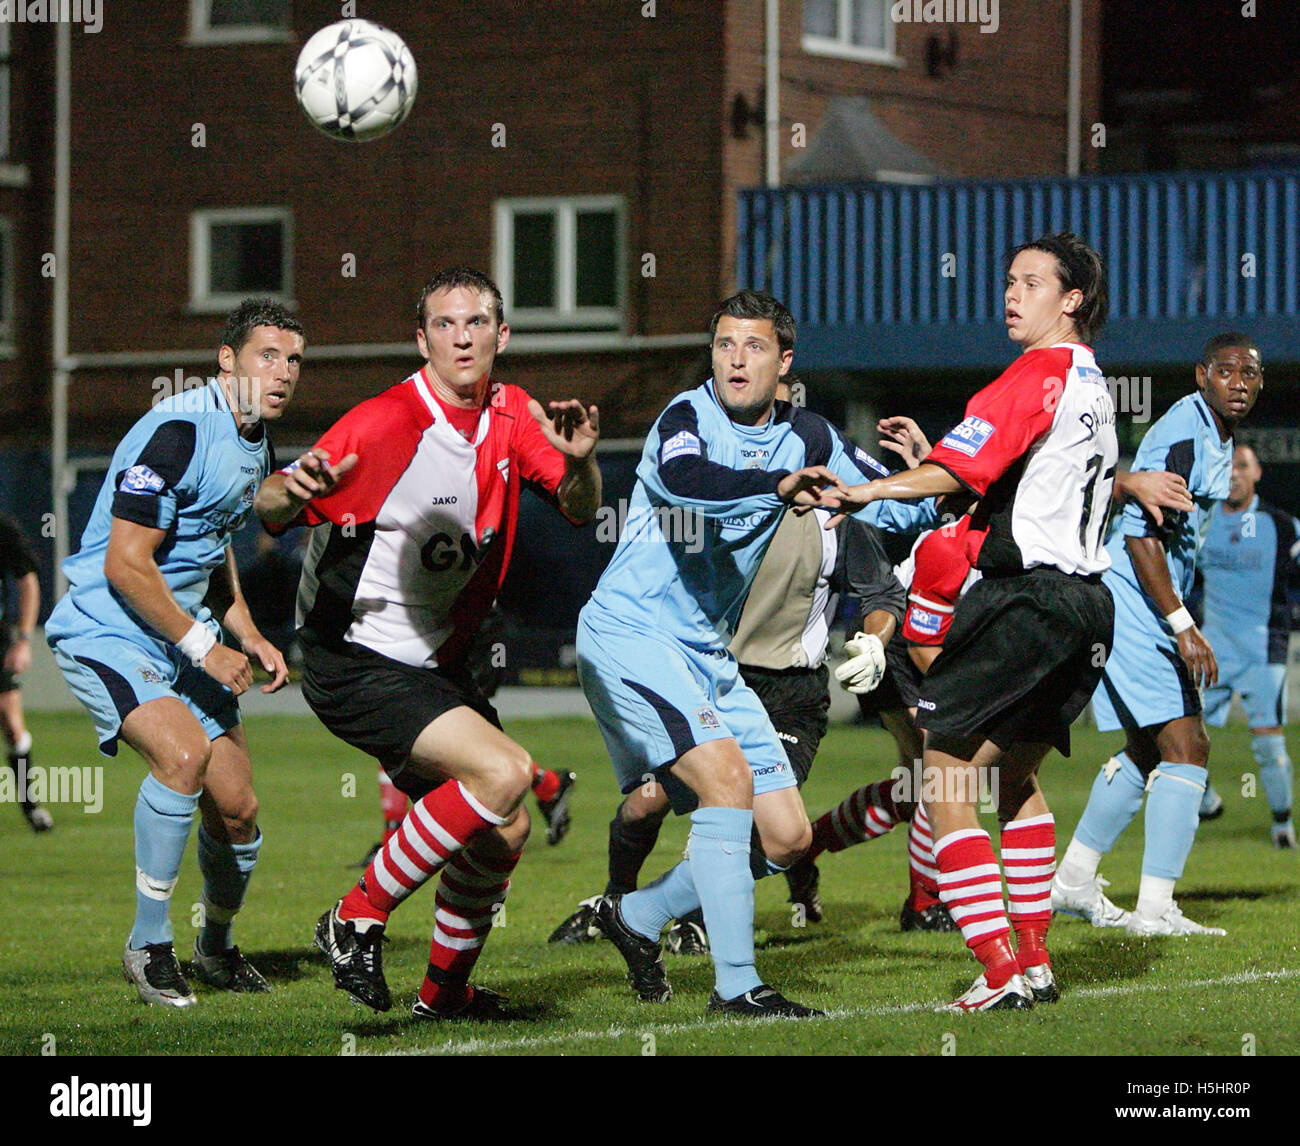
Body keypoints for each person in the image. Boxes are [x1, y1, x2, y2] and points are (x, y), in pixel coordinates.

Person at [254, 266, 601, 1021]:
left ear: (501, 335)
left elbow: (579, 507)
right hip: (355, 659)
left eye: (477, 322)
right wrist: (294, 487)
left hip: (436, 666)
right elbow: (270, 505)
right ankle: (353, 918)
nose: (462, 336)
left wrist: (581, 462)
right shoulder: (386, 424)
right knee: (508, 773)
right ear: (422, 340)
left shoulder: (513, 413)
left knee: (504, 825)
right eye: (445, 324)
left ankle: (444, 996)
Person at [576, 289, 926, 1018]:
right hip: (634, 633)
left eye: (754, 346)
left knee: (789, 835)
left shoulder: (810, 434)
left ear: (784, 359)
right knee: (726, 785)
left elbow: (875, 496)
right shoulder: (686, 418)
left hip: (707, 651)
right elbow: (685, 483)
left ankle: (634, 917)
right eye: (725, 344)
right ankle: (737, 988)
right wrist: (777, 487)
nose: (736, 359)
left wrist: (925, 480)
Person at [823, 233, 1119, 1012]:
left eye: (1030, 283)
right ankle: (1035, 961)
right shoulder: (1094, 382)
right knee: (1015, 778)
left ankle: (996, 975)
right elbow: (1015, 480)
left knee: (944, 775)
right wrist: (943, 463)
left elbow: (967, 469)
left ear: (1073, 299)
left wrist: (866, 491)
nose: (1011, 295)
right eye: (1008, 282)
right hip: (1089, 606)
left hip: (1027, 597)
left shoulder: (1037, 372)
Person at [45, 299, 301, 1007]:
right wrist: (203, 646)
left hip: (179, 632)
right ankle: (148, 943)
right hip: (109, 627)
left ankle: (214, 948)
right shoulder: (179, 431)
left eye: (294, 360)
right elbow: (128, 564)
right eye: (266, 356)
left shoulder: (256, 441)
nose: (282, 373)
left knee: (239, 810)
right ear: (228, 360)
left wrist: (243, 628)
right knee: (182, 756)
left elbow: (211, 538)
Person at [1052, 335, 1266, 935]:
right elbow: (1141, 535)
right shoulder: (1182, 431)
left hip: (1135, 598)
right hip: (1135, 596)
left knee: (1150, 748)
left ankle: (1071, 880)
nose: (1239, 383)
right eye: (1226, 372)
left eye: (1250, 374)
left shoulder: (1216, 437)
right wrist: (1183, 623)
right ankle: (1154, 910)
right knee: (1189, 746)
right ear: (1203, 375)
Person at [1196, 445, 1298, 847]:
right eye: (1227, 466)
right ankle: (1204, 802)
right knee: (1178, 731)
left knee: (1269, 743)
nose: (1234, 473)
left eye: (1242, 465)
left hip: (1263, 651)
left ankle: (1282, 826)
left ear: (1256, 473)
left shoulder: (1281, 525)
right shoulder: (1201, 522)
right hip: (1212, 650)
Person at [0, 514, 51, 831]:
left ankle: (30, 805)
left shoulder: (3, 529)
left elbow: (27, 580)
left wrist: (23, 640)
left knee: (9, 722)